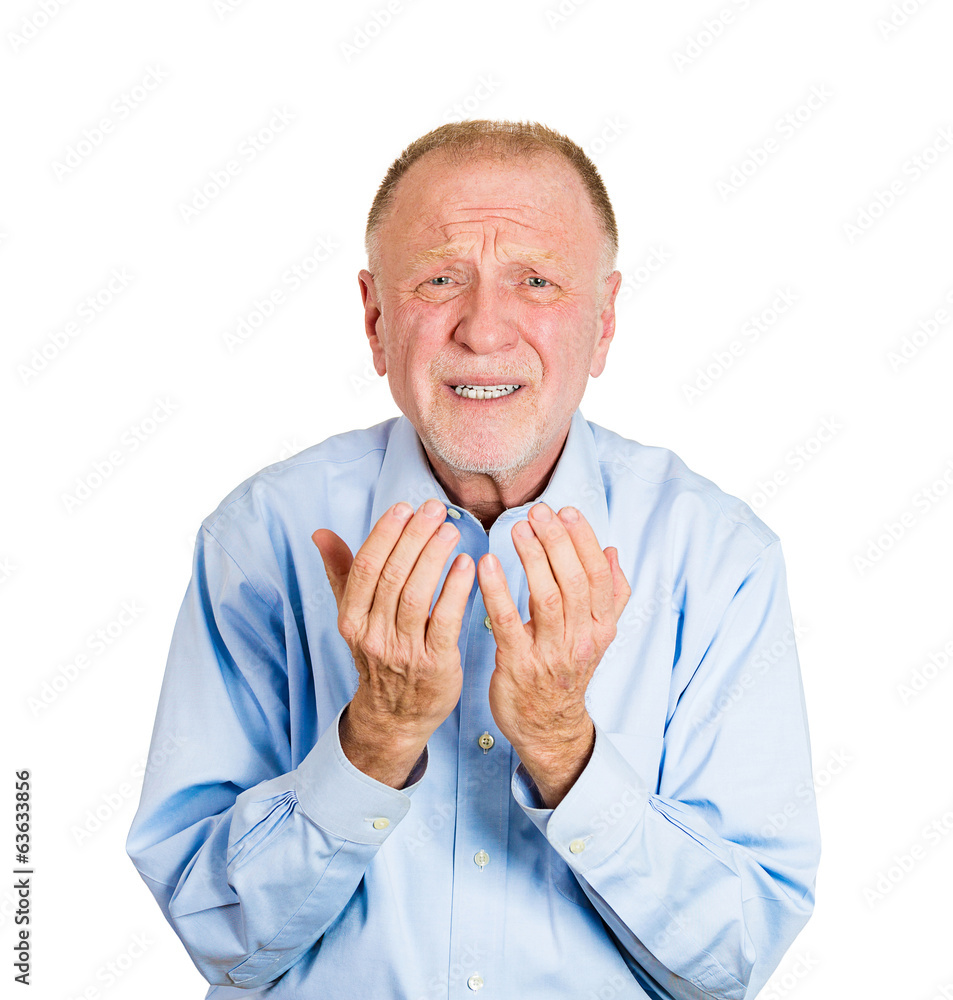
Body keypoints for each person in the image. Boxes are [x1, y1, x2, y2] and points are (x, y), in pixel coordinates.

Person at [127, 120, 820, 999]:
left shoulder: (720, 558)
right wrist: (373, 738)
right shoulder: (260, 537)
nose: (483, 330)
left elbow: (734, 959)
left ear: (603, 324)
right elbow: (219, 937)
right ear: (376, 320)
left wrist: (565, 749)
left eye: (535, 280)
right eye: (440, 279)